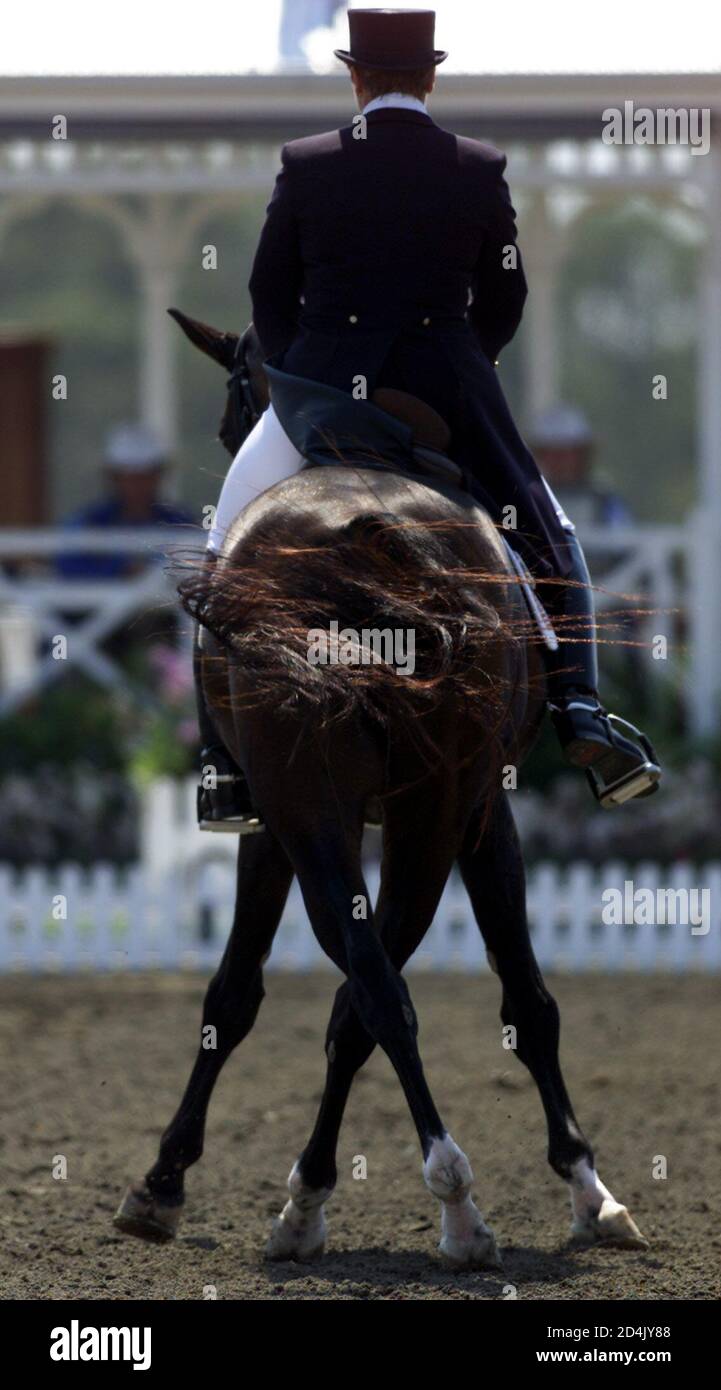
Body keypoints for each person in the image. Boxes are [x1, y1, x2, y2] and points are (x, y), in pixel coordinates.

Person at [198, 7, 660, 830]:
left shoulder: (305, 165)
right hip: (448, 386)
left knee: (225, 548)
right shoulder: (478, 168)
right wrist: (460, 363)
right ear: (430, 76)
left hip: (320, 389)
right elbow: (506, 297)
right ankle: (580, 711)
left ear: (354, 76)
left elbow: (267, 294)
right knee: (550, 534)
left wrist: (306, 370)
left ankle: (222, 765)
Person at [56, 424, 193, 580]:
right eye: (129, 477)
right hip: (96, 604)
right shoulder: (87, 523)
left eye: (145, 476)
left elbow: (199, 564)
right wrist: (120, 571)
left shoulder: (181, 521)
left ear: (159, 475)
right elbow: (68, 566)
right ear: (113, 477)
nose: (137, 485)